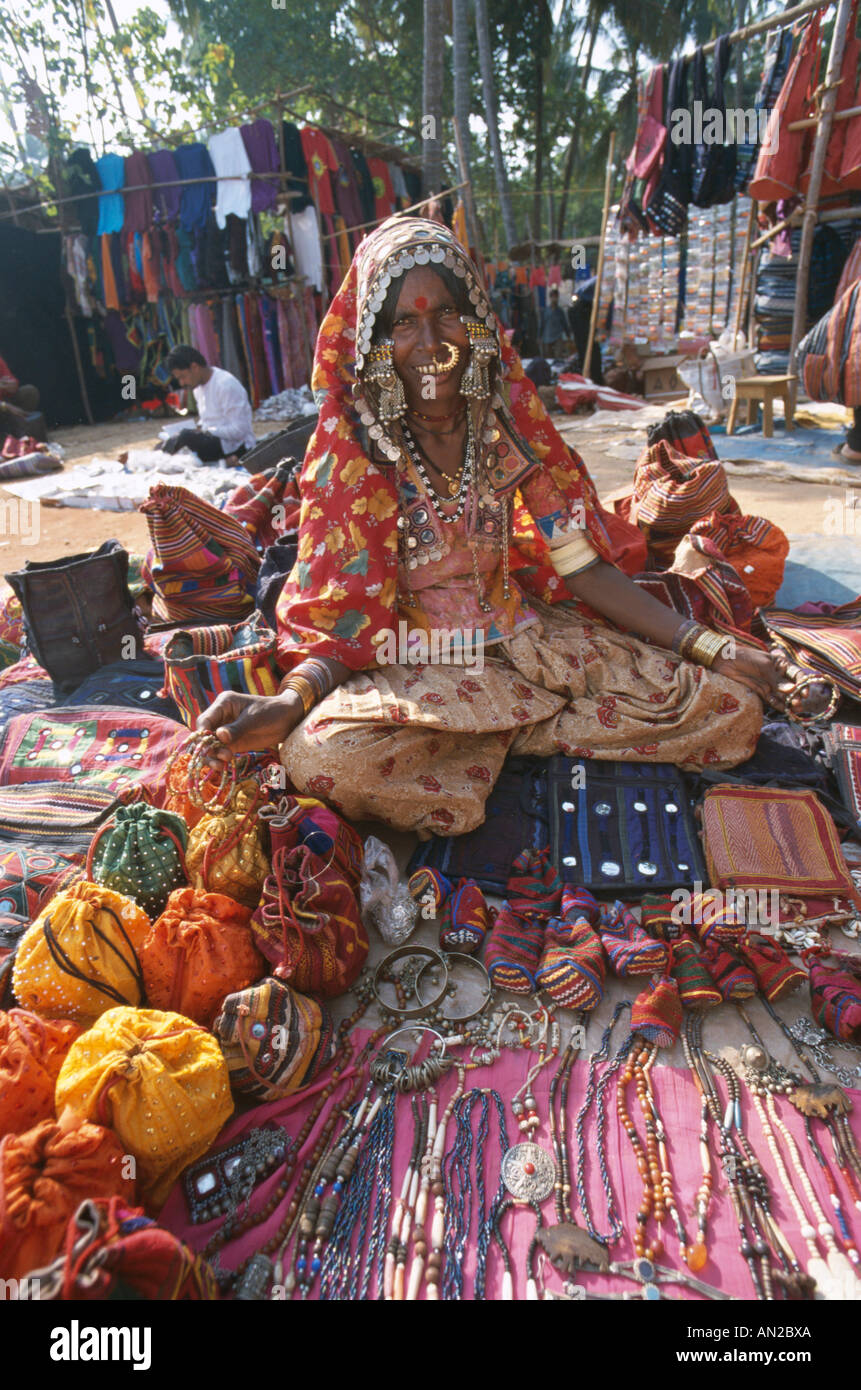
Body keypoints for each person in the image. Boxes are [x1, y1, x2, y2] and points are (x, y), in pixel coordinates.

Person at [199, 215, 827, 838]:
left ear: (475, 325)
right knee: (323, 758)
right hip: (412, 666)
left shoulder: (502, 428)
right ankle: (525, 734)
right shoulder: (361, 450)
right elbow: (344, 618)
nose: (431, 340)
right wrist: (290, 703)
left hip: (528, 647)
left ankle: (486, 741)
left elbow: (580, 565)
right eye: (403, 322)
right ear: (374, 341)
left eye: (446, 313)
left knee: (731, 711)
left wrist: (713, 645)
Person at [159, 345, 255, 464]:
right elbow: (207, 421)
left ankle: (226, 461)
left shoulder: (225, 384)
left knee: (184, 437)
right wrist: (201, 430)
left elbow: (239, 430)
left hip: (236, 446)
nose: (182, 383)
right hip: (213, 440)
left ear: (194, 367)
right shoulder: (197, 388)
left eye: (183, 377)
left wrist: (207, 432)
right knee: (167, 441)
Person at [0, 354, 42, 440]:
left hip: (4, 400)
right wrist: (5, 406)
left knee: (29, 392)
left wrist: (12, 385)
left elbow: (11, 381)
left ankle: (23, 431)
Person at [539, 288, 570, 358]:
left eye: (556, 297)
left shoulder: (560, 311)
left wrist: (568, 335)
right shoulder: (545, 311)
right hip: (547, 337)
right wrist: (539, 336)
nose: (554, 299)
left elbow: (565, 324)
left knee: (558, 356)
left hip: (558, 337)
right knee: (548, 357)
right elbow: (541, 324)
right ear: (550, 298)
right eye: (553, 297)